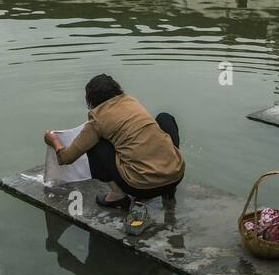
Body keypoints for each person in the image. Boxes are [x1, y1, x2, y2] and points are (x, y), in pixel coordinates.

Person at [44, 74, 184, 209]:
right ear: (117, 89)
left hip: (141, 188)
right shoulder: (132, 101)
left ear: (91, 100)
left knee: (96, 145)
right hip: (176, 176)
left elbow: (66, 158)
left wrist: (53, 140)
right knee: (165, 118)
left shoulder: (97, 120)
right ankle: (169, 189)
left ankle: (118, 196)